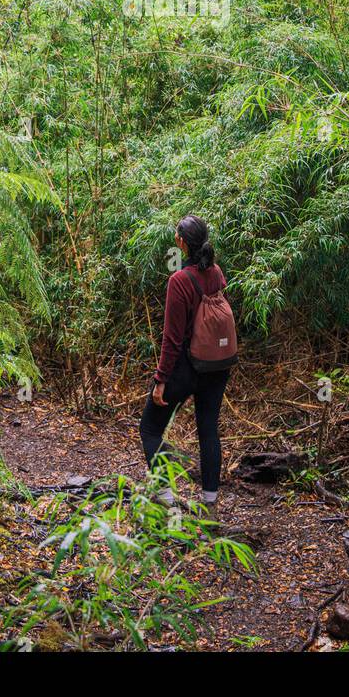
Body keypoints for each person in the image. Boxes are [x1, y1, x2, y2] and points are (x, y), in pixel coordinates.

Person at [139, 214, 230, 509]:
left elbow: (173, 338)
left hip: (185, 368)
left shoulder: (179, 280)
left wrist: (161, 379)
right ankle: (210, 504)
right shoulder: (216, 272)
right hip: (217, 366)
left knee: (150, 428)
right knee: (208, 429)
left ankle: (165, 500)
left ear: (180, 242)